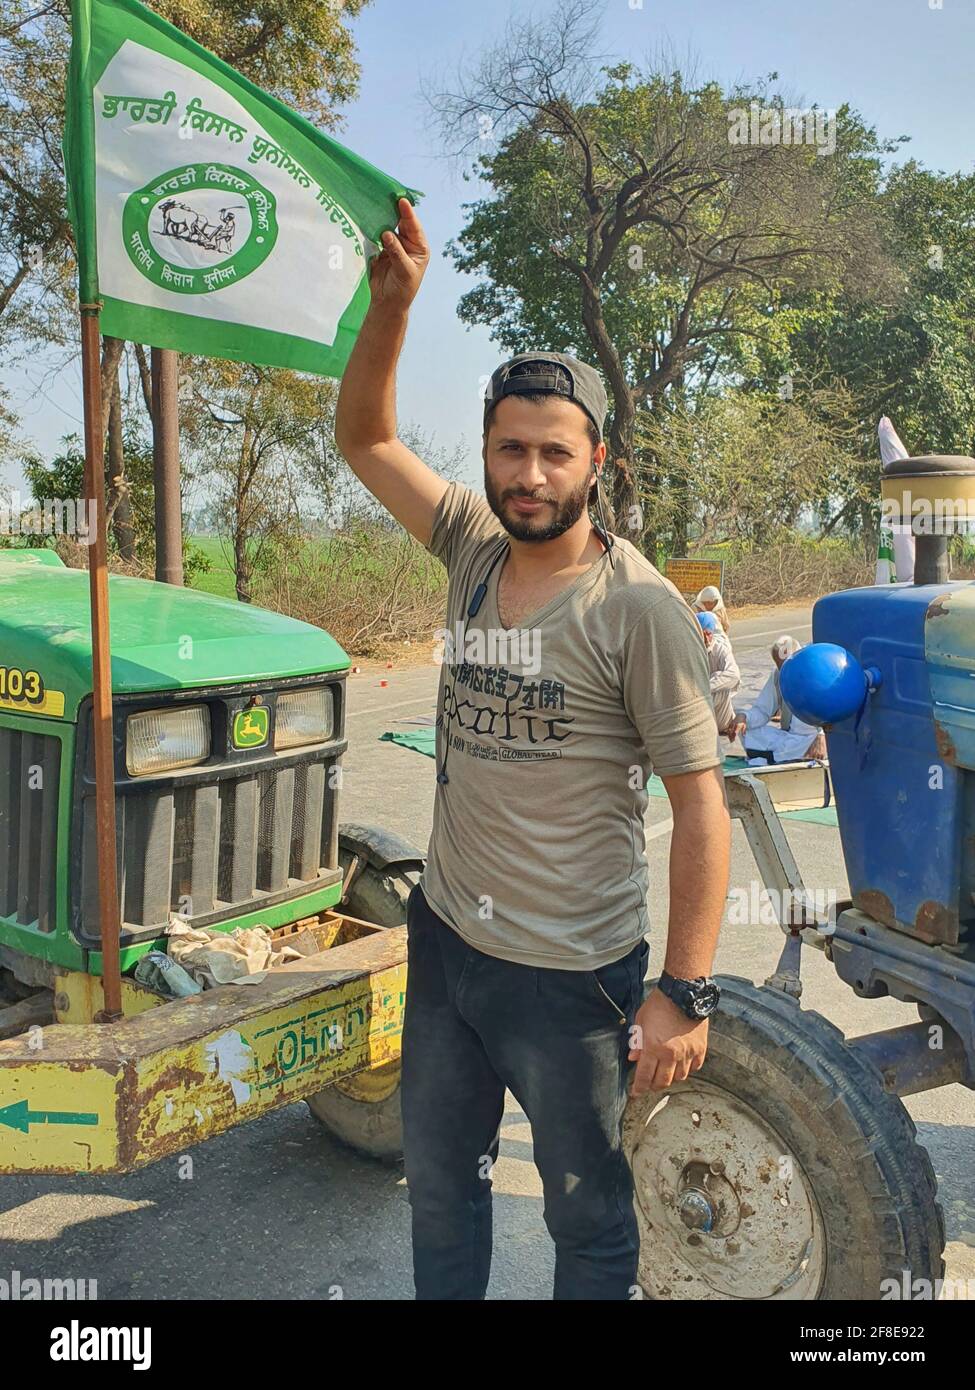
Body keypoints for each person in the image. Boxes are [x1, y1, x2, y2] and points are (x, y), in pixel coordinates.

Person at [334, 195, 731, 1302]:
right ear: (489, 455)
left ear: (595, 458)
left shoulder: (638, 608)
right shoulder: (469, 540)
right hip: (449, 941)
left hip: (570, 980)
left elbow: (701, 804)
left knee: (585, 1215)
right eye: (511, 449)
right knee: (443, 1186)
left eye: (555, 453)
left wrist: (685, 991)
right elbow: (363, 437)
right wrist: (395, 309)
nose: (531, 474)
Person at [734, 635, 826, 764]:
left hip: (811, 739)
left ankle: (779, 756)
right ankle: (784, 756)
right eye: (781, 667)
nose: (784, 671)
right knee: (747, 731)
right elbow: (762, 711)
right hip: (787, 738)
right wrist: (744, 717)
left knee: (822, 746)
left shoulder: (817, 673)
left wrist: (822, 735)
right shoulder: (778, 675)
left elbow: (834, 713)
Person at [697, 611, 741, 741]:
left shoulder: (720, 649)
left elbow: (734, 675)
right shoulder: (689, 651)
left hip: (720, 713)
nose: (706, 639)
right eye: (701, 634)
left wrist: (705, 687)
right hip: (697, 707)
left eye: (708, 634)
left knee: (720, 680)